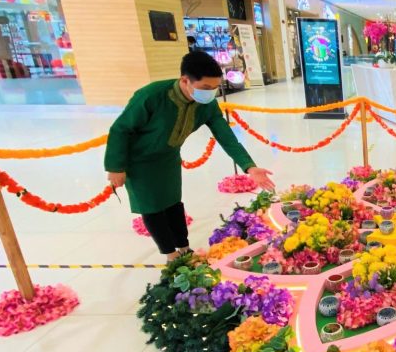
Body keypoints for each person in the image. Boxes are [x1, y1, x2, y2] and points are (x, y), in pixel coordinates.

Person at [105, 50, 275, 261]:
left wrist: (249, 166)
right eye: (205, 88)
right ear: (185, 80)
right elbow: (121, 129)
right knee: (152, 207)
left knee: (173, 203)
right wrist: (116, 167)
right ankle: (170, 254)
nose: (210, 93)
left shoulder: (206, 103)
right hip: (139, 161)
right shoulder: (151, 96)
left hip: (168, 158)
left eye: (215, 88)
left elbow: (225, 135)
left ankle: (184, 248)